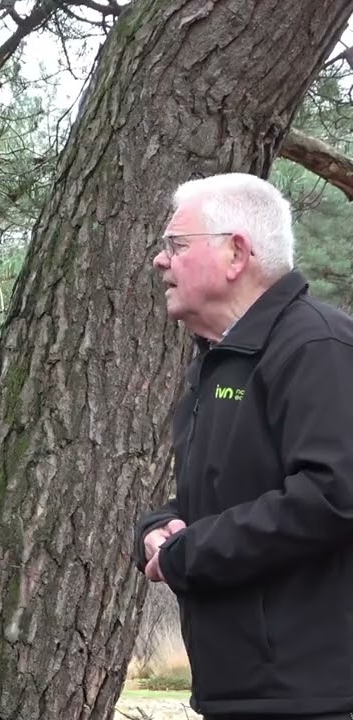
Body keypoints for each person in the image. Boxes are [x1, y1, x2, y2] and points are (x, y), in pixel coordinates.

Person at [133, 172, 353, 719]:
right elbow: (221, 499)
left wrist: (189, 553)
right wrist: (159, 529)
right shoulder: (220, 362)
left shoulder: (317, 348)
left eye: (175, 245)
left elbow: (333, 496)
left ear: (236, 253)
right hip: (241, 688)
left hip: (314, 694)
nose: (161, 260)